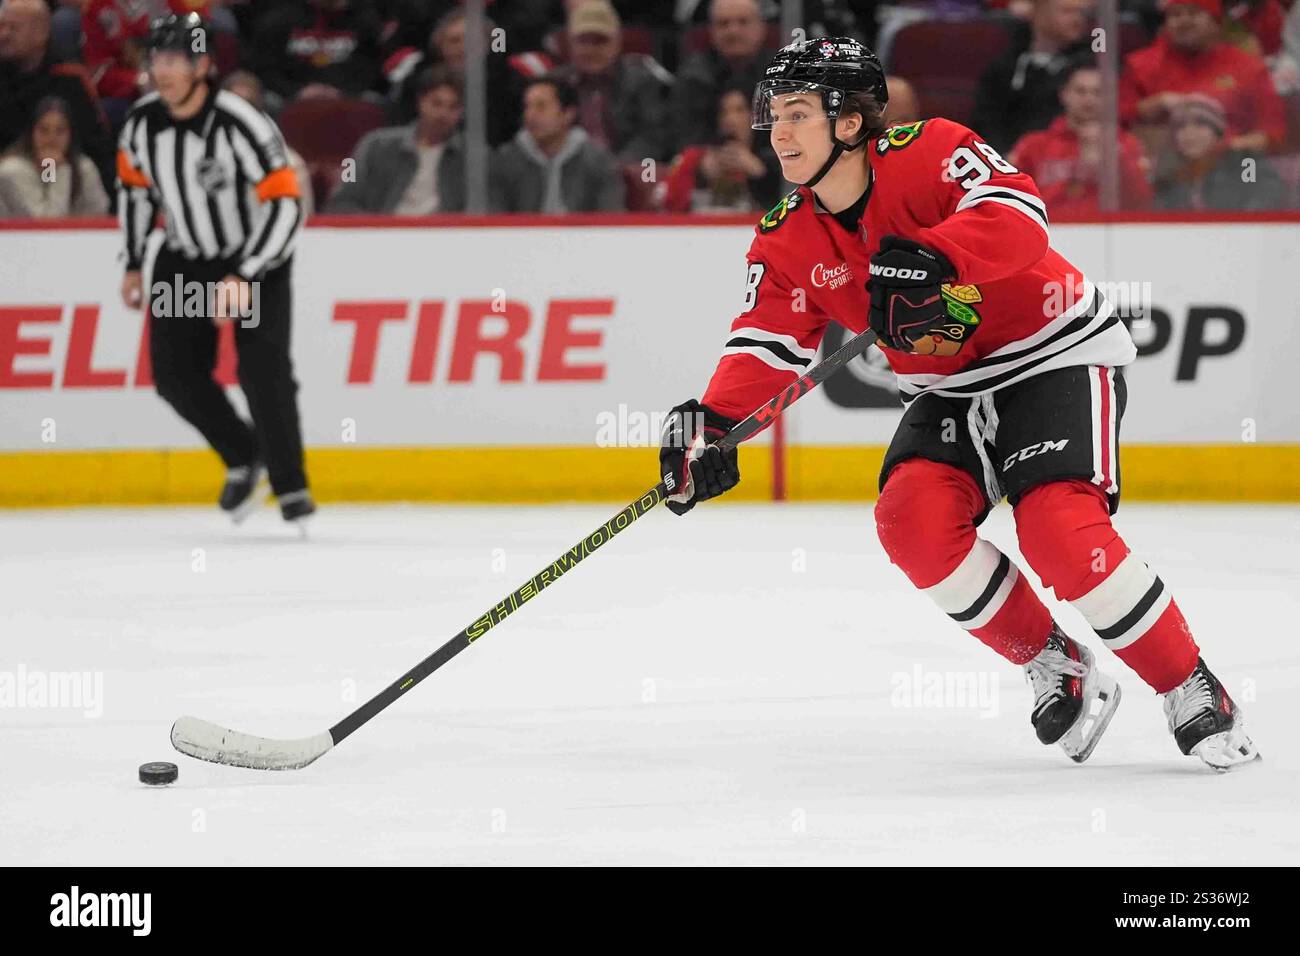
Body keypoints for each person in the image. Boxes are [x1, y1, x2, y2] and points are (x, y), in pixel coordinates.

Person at [657, 37, 1259, 772]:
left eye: (797, 114)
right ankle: (1055, 661)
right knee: (911, 521)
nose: (776, 133)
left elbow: (1018, 210)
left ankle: (1190, 684)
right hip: (948, 387)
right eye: (773, 115)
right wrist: (713, 427)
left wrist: (939, 252)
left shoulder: (930, 148)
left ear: (849, 122)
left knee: (1057, 528)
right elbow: (765, 343)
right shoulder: (785, 238)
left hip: (1053, 352)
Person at [117, 13, 315, 526]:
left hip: (256, 259)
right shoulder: (141, 124)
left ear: (204, 66)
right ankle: (243, 454)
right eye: (156, 59)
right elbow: (136, 194)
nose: (162, 71)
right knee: (173, 377)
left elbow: (286, 204)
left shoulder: (240, 122)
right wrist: (135, 261)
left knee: (261, 370)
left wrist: (246, 273)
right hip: (183, 259)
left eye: (175, 60)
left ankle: (291, 485)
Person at [1121, 0, 1286, 154]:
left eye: (1194, 13)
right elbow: (1116, 119)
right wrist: (1155, 103)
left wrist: (1223, 148)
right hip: (1159, 170)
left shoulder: (1248, 68)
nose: (1184, 22)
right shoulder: (1141, 65)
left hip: (1231, 169)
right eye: (1175, 15)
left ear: (1216, 23)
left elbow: (1272, 132)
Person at [1010, 58, 1153, 215]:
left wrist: (1115, 159)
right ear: (1064, 94)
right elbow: (1011, 196)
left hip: (1110, 233)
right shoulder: (1034, 145)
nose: (1089, 99)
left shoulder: (1127, 144)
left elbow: (1143, 203)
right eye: (1080, 91)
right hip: (1050, 230)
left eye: (1098, 92)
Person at [0, 0, 114, 194]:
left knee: (53, 164)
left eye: (14, 28)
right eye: (2, 26)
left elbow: (96, 146)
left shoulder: (69, 78)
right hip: (7, 177)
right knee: (13, 171)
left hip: (55, 172)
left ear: (41, 33)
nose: (4, 35)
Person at [328, 65, 467, 215]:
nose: (443, 114)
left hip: (446, 235)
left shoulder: (475, 157)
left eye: (453, 107)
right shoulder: (372, 145)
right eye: (436, 104)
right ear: (420, 102)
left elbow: (488, 210)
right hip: (382, 233)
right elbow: (342, 199)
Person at [550, 1, 672, 164]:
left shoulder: (642, 80)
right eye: (583, 41)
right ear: (570, 44)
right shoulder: (555, 84)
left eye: (600, 41)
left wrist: (615, 168)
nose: (591, 50)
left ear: (617, 43)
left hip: (625, 173)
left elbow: (652, 137)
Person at [970, 0, 1095, 154]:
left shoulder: (1092, 65)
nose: (1077, 19)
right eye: (1067, 11)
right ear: (1037, 12)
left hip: (1074, 161)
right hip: (1011, 164)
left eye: (1082, 12)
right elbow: (987, 120)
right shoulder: (1006, 65)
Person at [489, 75, 624, 213]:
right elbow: (494, 218)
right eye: (527, 107)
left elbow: (610, 218)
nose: (530, 115)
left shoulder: (598, 161)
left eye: (541, 107)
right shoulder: (505, 160)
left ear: (568, 114)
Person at [659, 84, 783, 213]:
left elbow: (787, 210)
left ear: (755, 116)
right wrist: (699, 176)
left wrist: (760, 174)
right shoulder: (695, 158)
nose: (731, 119)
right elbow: (667, 206)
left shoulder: (774, 161)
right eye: (724, 112)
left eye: (739, 110)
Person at [671, 0, 775, 152]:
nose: (733, 31)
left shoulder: (782, 75)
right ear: (711, 31)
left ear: (762, 27)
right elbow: (681, 139)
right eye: (723, 24)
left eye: (743, 22)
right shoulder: (693, 77)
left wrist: (762, 165)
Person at [1152, 92, 1285, 208]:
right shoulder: (1168, 169)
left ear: (1217, 132)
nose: (1189, 134)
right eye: (1181, 127)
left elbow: (1264, 196)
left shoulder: (1245, 161)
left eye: (1200, 124)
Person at [0, 94, 109, 217]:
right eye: (44, 130)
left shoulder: (84, 168)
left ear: (70, 135)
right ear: (31, 133)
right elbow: (49, 222)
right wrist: (58, 169)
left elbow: (99, 215)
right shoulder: (12, 170)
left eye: (60, 130)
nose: (51, 139)